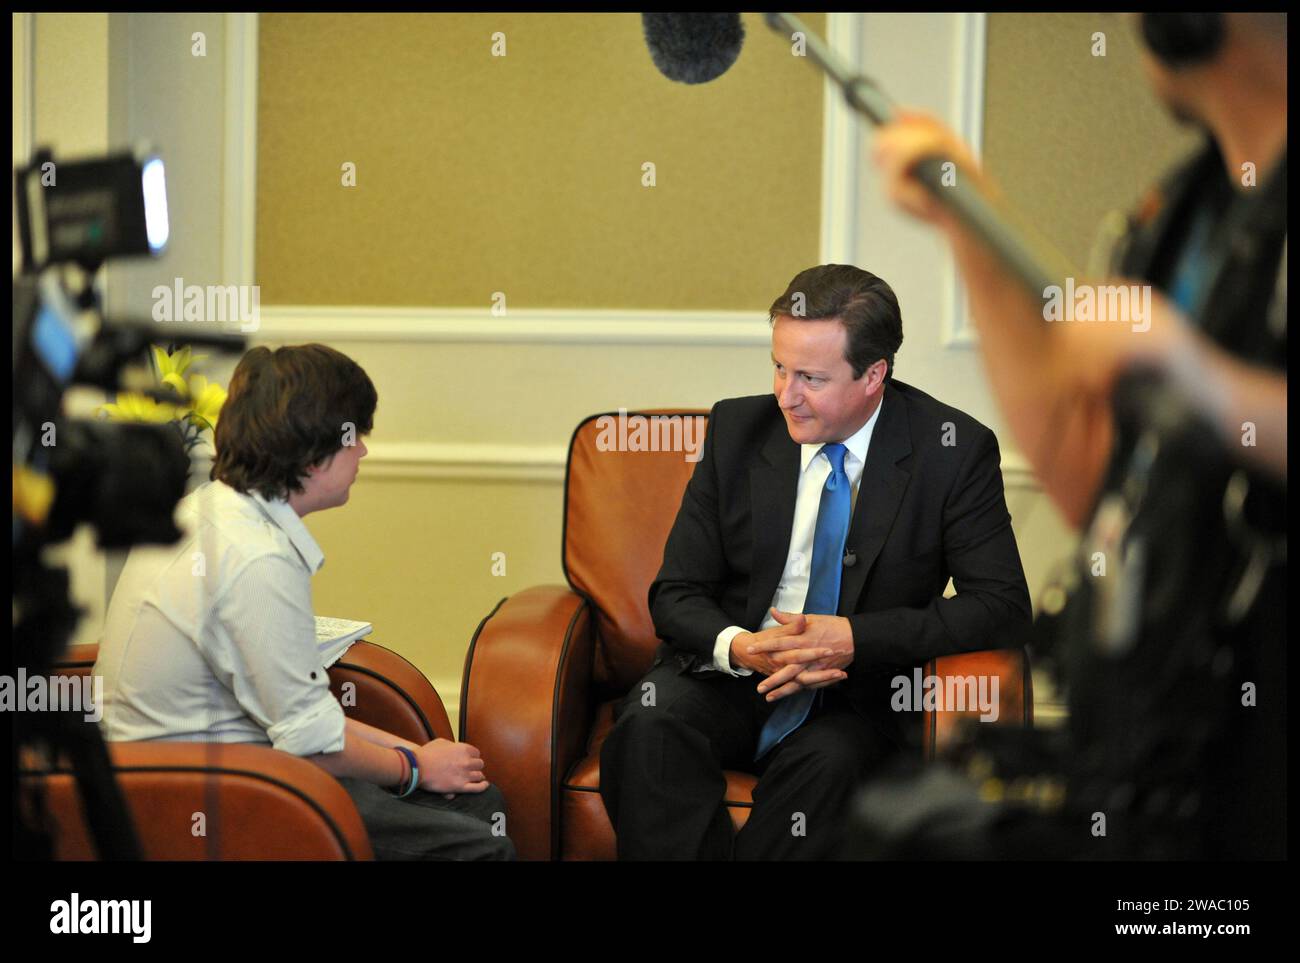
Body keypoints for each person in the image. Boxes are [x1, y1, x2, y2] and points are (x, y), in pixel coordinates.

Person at [863, 12, 1285, 857]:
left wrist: (1196, 373)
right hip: (1159, 769)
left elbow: (1207, 396)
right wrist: (969, 222)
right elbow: (1089, 474)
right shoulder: (1179, 215)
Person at [599, 263, 1033, 859]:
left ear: (874, 375)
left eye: (811, 377)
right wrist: (739, 646)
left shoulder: (950, 452)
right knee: (650, 728)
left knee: (829, 771)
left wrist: (854, 637)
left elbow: (1003, 606)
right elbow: (676, 593)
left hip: (851, 697)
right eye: (779, 367)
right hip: (731, 675)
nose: (786, 395)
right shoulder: (736, 430)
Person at [95, 343, 515, 860]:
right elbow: (312, 743)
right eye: (355, 437)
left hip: (218, 770)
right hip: (208, 799)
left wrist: (416, 756)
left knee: (477, 803)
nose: (363, 451)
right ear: (312, 454)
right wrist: (416, 767)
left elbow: (303, 720)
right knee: (478, 844)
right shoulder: (255, 558)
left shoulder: (209, 511)